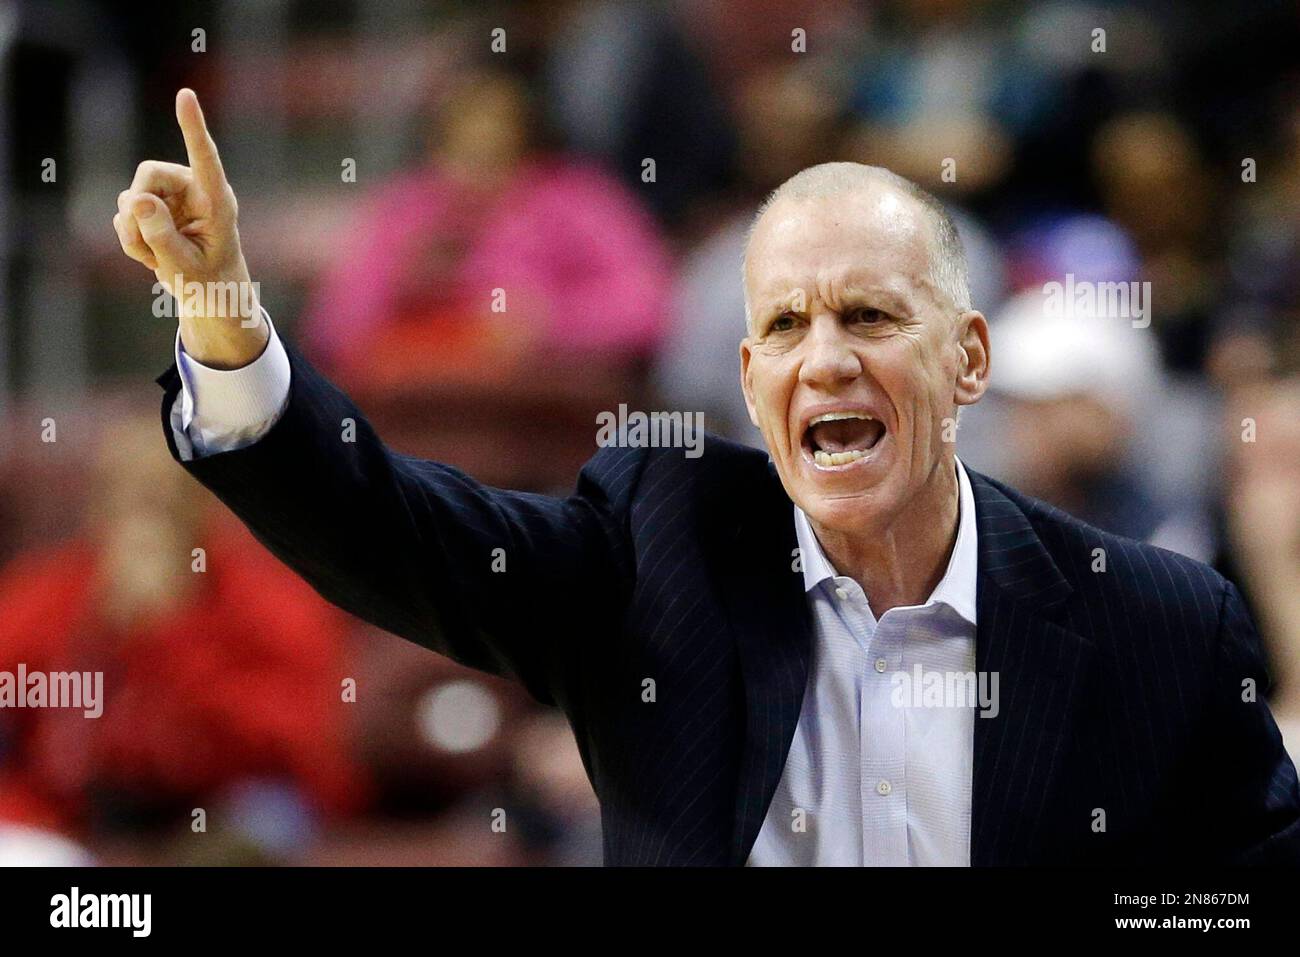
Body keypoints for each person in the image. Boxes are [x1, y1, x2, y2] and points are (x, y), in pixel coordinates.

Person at [110, 89, 1300, 866]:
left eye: (870, 314)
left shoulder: (1154, 623)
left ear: (968, 358)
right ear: (746, 376)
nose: (823, 358)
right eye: (784, 326)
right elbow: (391, 529)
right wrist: (221, 314)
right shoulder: (659, 550)